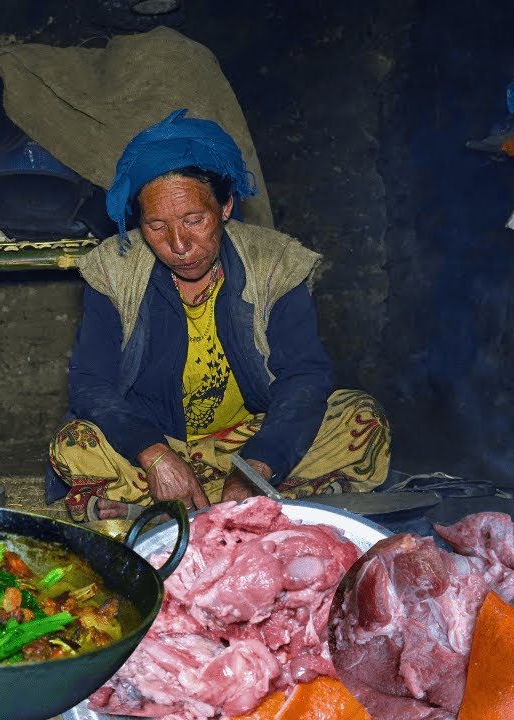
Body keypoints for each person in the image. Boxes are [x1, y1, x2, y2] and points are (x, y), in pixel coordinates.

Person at [48, 110, 390, 522]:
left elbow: (304, 377)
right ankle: (254, 503)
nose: (179, 244)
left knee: (361, 417)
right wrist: (155, 456)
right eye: (156, 226)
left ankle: (168, 508)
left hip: (246, 442)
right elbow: (90, 383)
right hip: (157, 443)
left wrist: (255, 467)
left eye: (194, 220)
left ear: (225, 206)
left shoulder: (274, 263)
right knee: (74, 443)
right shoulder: (113, 269)